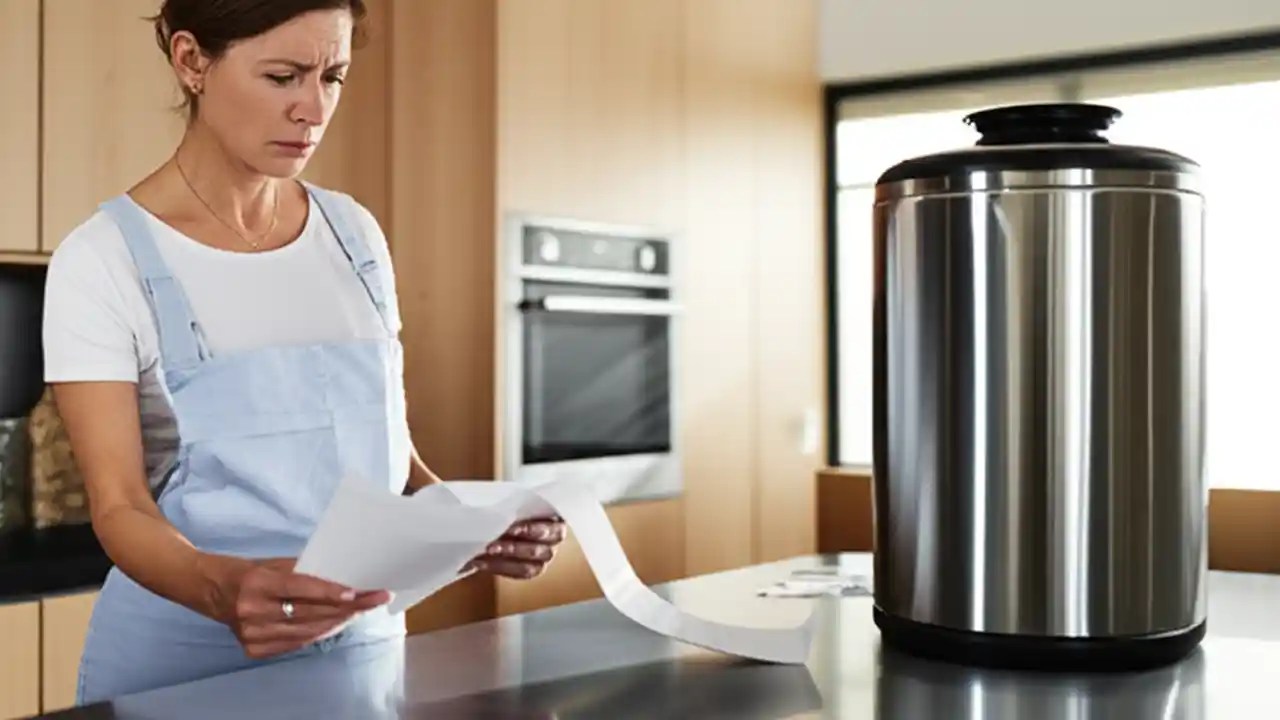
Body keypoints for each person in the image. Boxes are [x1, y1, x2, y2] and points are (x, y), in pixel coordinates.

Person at [41, 0, 566, 703]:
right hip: (187, 666)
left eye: (333, 77)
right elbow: (120, 507)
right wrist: (225, 588)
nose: (312, 111)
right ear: (192, 61)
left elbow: (389, 455)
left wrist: (466, 526)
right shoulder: (103, 259)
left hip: (364, 659)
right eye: (284, 77)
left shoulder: (353, 234)